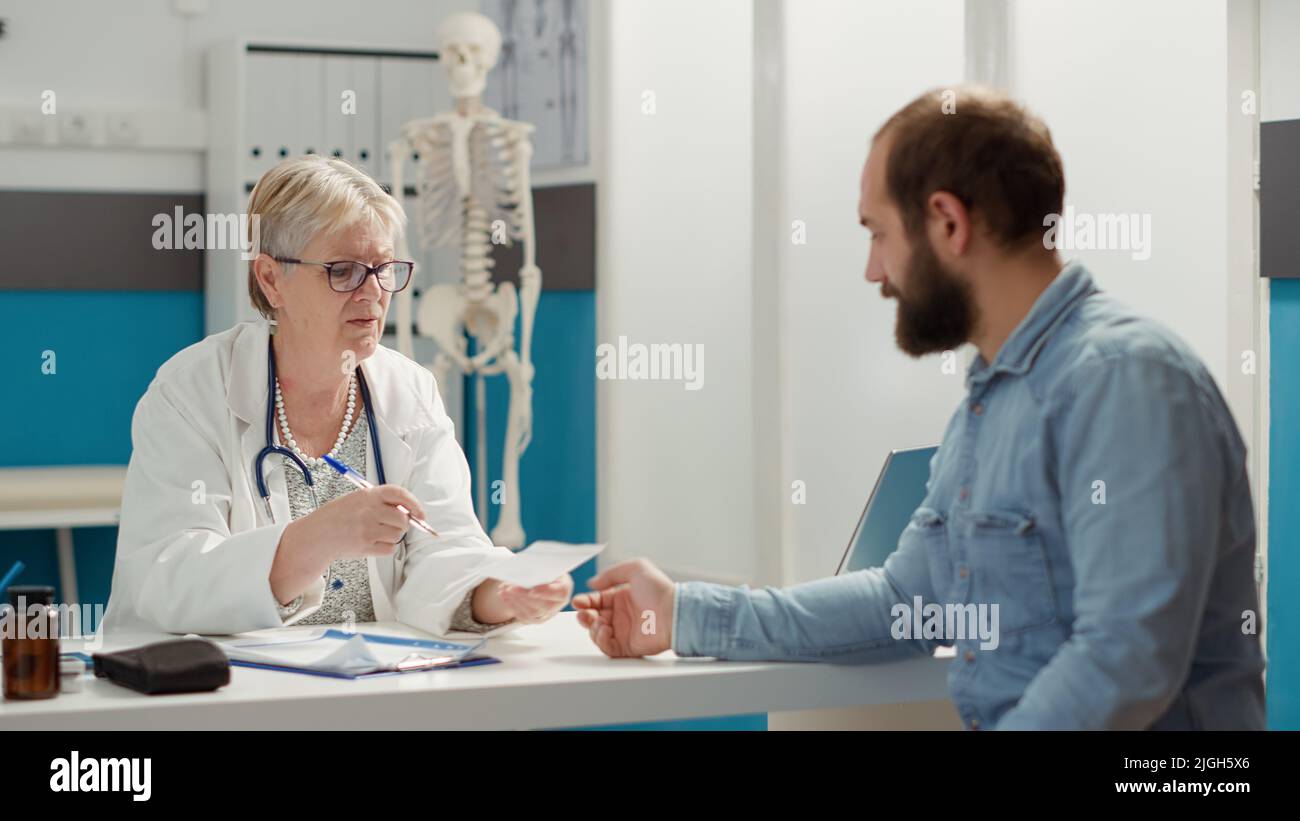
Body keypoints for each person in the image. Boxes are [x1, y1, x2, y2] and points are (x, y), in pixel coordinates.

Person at [574, 86, 1266, 730]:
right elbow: (904, 600)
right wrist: (685, 613)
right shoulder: (990, 400)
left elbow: (1125, 660)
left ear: (946, 221)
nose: (875, 271)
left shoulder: (1126, 380)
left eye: (877, 233)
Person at [102, 156, 570, 637]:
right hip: (215, 690)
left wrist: (498, 595)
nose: (372, 293)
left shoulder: (409, 390)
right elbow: (168, 578)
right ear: (270, 279)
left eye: (383, 268)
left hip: (367, 684)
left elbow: (444, 549)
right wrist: (317, 538)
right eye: (343, 271)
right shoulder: (192, 391)